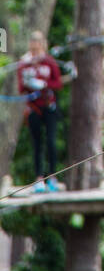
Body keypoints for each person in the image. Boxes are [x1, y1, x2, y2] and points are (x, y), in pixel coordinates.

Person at [16, 31, 66, 191]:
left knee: (51, 141)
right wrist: (29, 81)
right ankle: (39, 178)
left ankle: (52, 177)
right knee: (37, 144)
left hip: (49, 107)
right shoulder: (25, 63)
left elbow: (58, 83)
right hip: (33, 109)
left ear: (42, 44)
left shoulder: (49, 62)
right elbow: (21, 87)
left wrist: (44, 85)